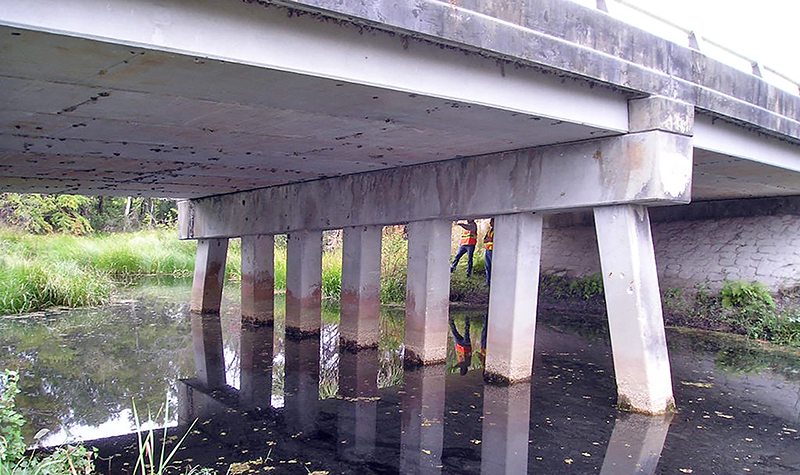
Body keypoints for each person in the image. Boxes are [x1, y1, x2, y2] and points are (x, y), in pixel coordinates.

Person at [483, 218, 494, 287]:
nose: (490, 223)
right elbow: (484, 240)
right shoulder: (489, 231)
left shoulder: (498, 229)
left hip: (493, 250)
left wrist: (490, 239)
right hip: (488, 250)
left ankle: (492, 282)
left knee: (493, 267)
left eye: (491, 222)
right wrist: (489, 239)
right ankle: (488, 282)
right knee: (487, 266)